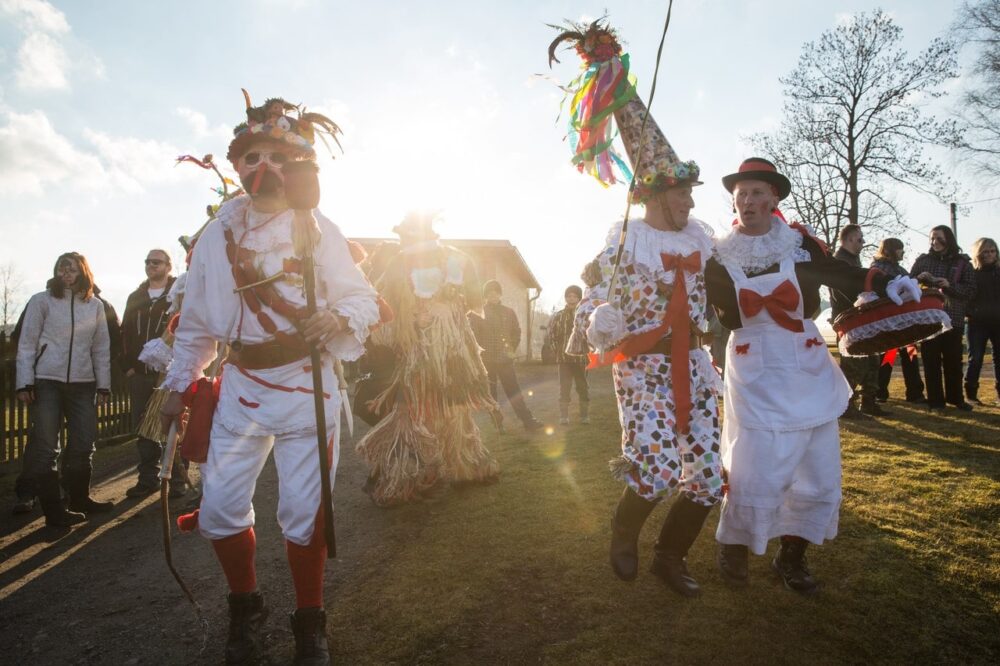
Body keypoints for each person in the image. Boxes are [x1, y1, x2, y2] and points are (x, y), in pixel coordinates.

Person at [157, 92, 379, 665]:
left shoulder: (317, 228)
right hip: (241, 390)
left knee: (305, 514)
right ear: (236, 167)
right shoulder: (214, 236)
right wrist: (179, 386)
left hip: (308, 387)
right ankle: (245, 607)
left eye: (274, 156)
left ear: (296, 165)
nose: (262, 167)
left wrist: (337, 315)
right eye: (251, 156)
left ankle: (310, 620)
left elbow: (362, 298)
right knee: (220, 509)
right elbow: (199, 325)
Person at [549, 20, 724, 598]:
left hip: (696, 368)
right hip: (643, 370)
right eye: (679, 192)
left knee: (703, 480)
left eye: (690, 193)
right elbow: (593, 299)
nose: (689, 201)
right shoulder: (625, 243)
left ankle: (669, 557)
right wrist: (597, 317)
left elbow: (738, 276)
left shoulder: (700, 238)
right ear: (650, 194)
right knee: (653, 470)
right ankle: (625, 532)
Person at [705, 158, 921, 595]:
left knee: (815, 465)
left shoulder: (800, 247)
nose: (748, 201)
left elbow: (845, 273)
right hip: (753, 366)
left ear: (774, 199)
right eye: (741, 193)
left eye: (757, 193)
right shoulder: (717, 255)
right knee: (754, 462)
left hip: (806, 362)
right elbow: (686, 295)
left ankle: (793, 555)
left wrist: (887, 283)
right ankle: (734, 544)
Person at [355, 211, 500, 506]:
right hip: (456, 353)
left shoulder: (399, 263)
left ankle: (403, 478)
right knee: (452, 411)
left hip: (427, 353)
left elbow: (379, 311)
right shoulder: (457, 259)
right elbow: (475, 303)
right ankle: (464, 467)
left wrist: (411, 325)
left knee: (417, 412)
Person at [15, 252, 113, 526]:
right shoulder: (41, 301)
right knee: (47, 446)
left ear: (82, 271)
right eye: (61, 269)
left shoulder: (94, 305)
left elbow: (100, 347)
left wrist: (103, 385)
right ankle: (54, 512)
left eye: (71, 269)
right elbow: (26, 343)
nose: (66, 274)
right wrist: (24, 382)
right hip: (47, 381)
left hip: (83, 383)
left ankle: (80, 500)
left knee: (84, 442)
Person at [121, 249, 186, 498]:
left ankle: (177, 480)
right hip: (139, 373)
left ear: (168, 266)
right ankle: (148, 478)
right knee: (144, 427)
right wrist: (127, 366)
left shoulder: (177, 294)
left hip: (169, 374)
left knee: (174, 426)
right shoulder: (135, 297)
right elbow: (124, 332)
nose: (150, 266)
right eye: (147, 262)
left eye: (156, 262)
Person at [910, 226, 976, 412]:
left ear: (949, 239)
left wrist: (950, 285)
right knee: (931, 362)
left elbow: (971, 290)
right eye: (932, 239)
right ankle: (936, 401)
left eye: (939, 238)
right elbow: (907, 284)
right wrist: (918, 279)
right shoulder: (923, 261)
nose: (935, 242)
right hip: (928, 319)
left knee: (953, 361)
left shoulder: (963, 263)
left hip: (952, 318)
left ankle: (956, 399)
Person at [469, 280, 543, 433]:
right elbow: (472, 336)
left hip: (505, 360)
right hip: (486, 361)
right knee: (491, 394)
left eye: (495, 292)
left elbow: (516, 332)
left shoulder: (509, 312)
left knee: (514, 391)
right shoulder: (477, 313)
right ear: (485, 296)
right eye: (489, 293)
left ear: (500, 294)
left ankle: (528, 421)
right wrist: (479, 355)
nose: (492, 295)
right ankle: (498, 424)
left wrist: (511, 351)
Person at [831, 225, 889, 418]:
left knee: (872, 361)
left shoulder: (853, 261)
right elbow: (844, 293)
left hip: (863, 318)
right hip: (849, 320)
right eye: (860, 239)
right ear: (848, 239)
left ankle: (868, 402)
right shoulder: (839, 262)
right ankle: (846, 405)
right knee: (854, 364)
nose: (863, 243)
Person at [871, 238, 926, 404]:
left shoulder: (900, 269)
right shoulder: (879, 269)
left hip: (906, 321)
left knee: (910, 356)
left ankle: (914, 392)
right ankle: (880, 391)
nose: (903, 252)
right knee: (888, 357)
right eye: (899, 249)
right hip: (889, 322)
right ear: (890, 250)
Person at [544, 285, 590, 425]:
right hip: (564, 359)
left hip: (581, 358)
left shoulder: (585, 315)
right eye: (569, 296)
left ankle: (584, 416)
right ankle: (564, 417)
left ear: (579, 298)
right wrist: (557, 352)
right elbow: (551, 335)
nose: (571, 299)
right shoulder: (558, 316)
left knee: (582, 387)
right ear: (566, 298)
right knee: (564, 387)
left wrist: (588, 352)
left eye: (575, 296)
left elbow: (590, 335)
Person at [964, 237, 1000, 404]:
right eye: (985, 251)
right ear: (978, 253)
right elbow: (966, 297)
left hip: (998, 322)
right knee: (976, 358)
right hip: (976, 322)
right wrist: (971, 312)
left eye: (992, 251)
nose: (989, 255)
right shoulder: (972, 274)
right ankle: (971, 395)